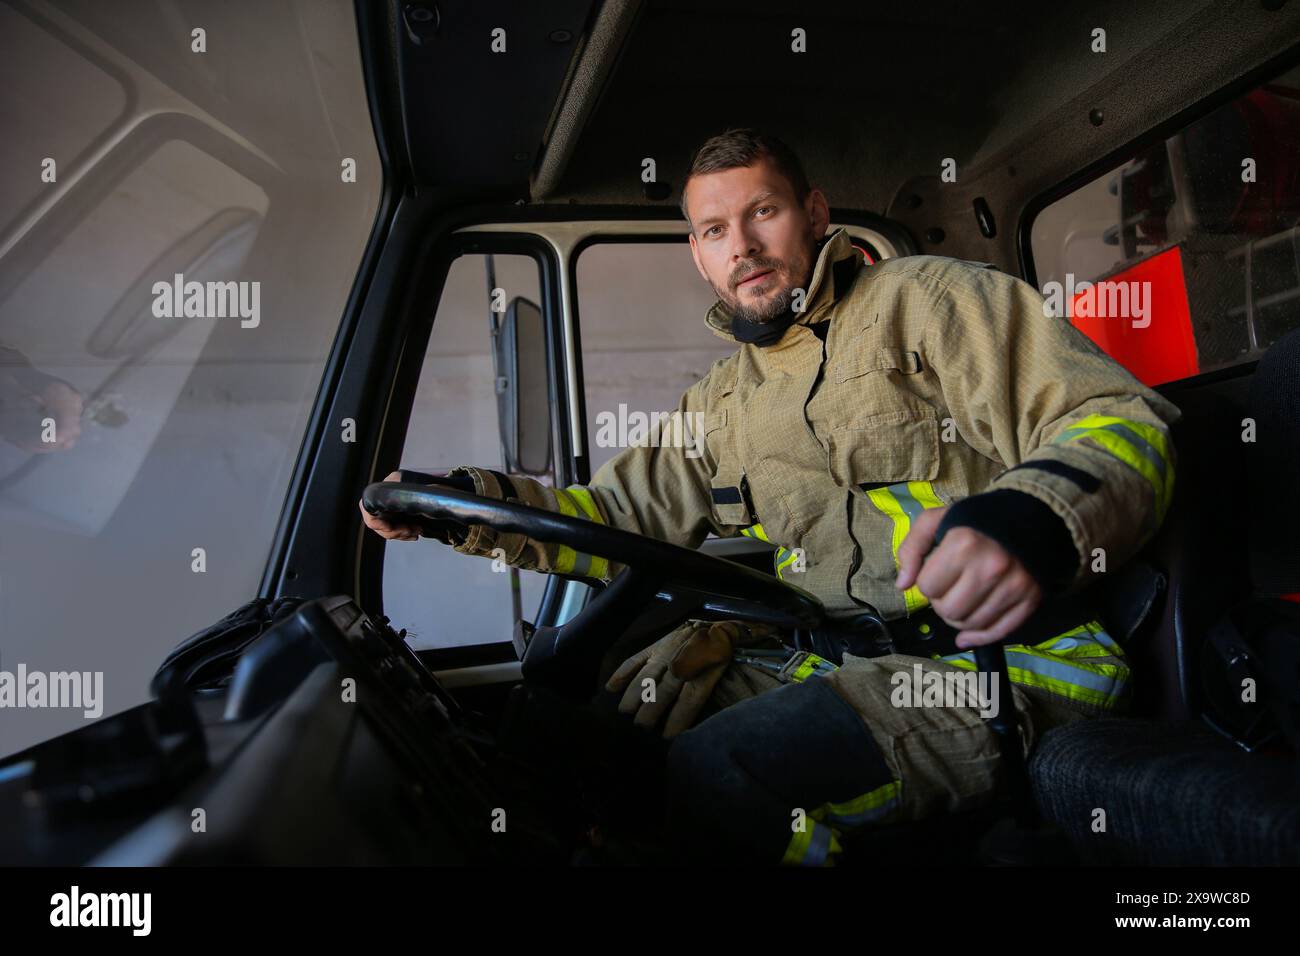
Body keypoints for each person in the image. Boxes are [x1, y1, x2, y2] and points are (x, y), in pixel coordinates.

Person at [361, 128, 1181, 864]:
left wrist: (1031, 516)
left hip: (1004, 665)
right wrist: (461, 503)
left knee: (727, 777)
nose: (743, 247)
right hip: (830, 659)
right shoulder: (722, 400)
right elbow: (609, 517)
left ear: (814, 213)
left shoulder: (930, 303)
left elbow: (1115, 419)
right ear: (698, 253)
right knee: (574, 737)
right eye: (717, 230)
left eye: (764, 213)